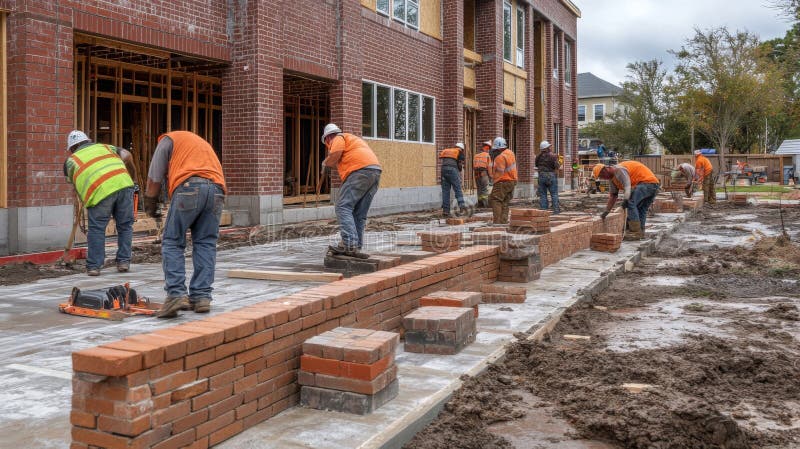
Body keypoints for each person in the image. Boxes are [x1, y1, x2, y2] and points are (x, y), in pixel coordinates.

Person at [142, 131, 226, 318]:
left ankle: (176, 294)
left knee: (172, 241)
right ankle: (201, 296)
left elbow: (154, 175)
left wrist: (150, 201)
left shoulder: (166, 140)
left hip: (190, 187)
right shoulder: (195, 144)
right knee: (206, 243)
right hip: (217, 191)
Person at [63, 130, 137, 276]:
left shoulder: (70, 161)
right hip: (124, 184)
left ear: (71, 149)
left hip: (99, 191)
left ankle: (94, 266)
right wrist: (131, 177)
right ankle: (123, 262)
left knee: (97, 229)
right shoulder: (106, 147)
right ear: (88, 141)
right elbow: (127, 155)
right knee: (125, 226)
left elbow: (74, 185)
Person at [321, 123, 382, 260]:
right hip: (374, 172)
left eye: (326, 143)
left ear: (328, 138)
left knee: (342, 207)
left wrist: (326, 163)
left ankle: (349, 244)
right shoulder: (353, 140)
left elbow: (335, 153)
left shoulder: (338, 138)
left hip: (360, 171)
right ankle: (356, 246)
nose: (328, 145)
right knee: (359, 213)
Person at [593, 161, 660, 241]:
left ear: (605, 170)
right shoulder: (612, 179)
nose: (603, 178)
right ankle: (640, 232)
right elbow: (613, 195)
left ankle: (635, 232)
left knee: (631, 203)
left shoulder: (619, 170)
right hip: (652, 185)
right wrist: (606, 212)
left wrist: (625, 202)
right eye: (601, 178)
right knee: (641, 208)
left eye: (602, 176)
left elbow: (627, 187)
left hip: (648, 183)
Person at [488, 137, 517, 224]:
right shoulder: (510, 153)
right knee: (505, 201)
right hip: (512, 181)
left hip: (502, 181)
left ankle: (497, 222)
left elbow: (500, 172)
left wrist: (494, 181)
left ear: (499, 147)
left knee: (495, 199)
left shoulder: (500, 157)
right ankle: (503, 221)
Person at [439, 143, 467, 217]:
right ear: (461, 148)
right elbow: (460, 164)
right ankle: (462, 206)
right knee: (457, 188)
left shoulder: (448, 151)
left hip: (443, 170)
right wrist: (460, 169)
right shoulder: (459, 152)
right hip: (452, 170)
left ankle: (445, 211)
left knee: (445, 191)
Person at [535, 140, 560, 214]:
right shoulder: (553, 156)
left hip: (541, 175)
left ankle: (544, 211)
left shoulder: (538, 156)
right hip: (551, 175)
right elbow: (557, 166)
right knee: (554, 194)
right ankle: (556, 210)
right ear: (546, 148)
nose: (550, 147)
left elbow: (536, 165)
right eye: (549, 146)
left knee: (543, 194)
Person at [473, 141, 492, 208]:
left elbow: (474, 166)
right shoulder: (487, 155)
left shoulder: (476, 155)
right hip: (483, 173)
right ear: (487, 148)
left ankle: (479, 203)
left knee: (479, 188)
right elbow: (489, 167)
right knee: (484, 189)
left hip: (476, 174)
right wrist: (491, 176)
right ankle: (485, 204)